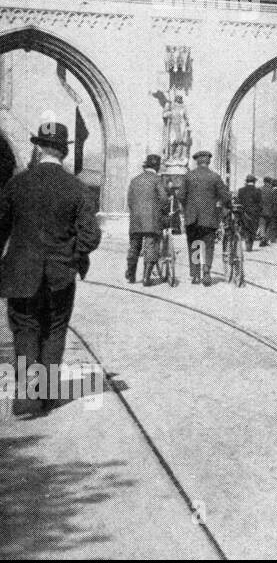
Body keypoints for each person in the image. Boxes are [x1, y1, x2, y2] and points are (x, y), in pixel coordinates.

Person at [0, 120, 101, 416]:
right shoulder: (77, 188)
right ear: (64, 152)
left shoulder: (16, 184)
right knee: (54, 330)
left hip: (20, 273)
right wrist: (72, 255)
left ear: (38, 148)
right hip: (60, 274)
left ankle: (29, 395)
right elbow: (91, 235)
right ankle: (45, 395)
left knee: (26, 329)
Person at [178, 149, 229, 286]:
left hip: (192, 218)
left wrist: (187, 208)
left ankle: (195, 275)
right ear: (208, 161)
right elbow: (225, 196)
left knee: (194, 245)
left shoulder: (188, 176)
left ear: (197, 161)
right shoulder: (215, 177)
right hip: (209, 218)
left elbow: (181, 196)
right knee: (208, 245)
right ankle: (206, 272)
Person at [126, 154, 170, 286]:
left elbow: (129, 201)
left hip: (136, 219)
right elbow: (163, 199)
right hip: (152, 219)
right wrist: (163, 211)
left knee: (134, 247)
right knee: (151, 246)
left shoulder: (134, 180)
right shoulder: (157, 180)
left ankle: (131, 275)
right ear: (157, 167)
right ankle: (146, 278)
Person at [236, 174, 262, 252]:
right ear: (254, 182)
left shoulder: (241, 190)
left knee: (245, 227)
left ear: (246, 181)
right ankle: (250, 245)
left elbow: (239, 201)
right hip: (254, 213)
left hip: (244, 212)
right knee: (253, 228)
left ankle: (247, 242)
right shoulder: (258, 191)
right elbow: (260, 203)